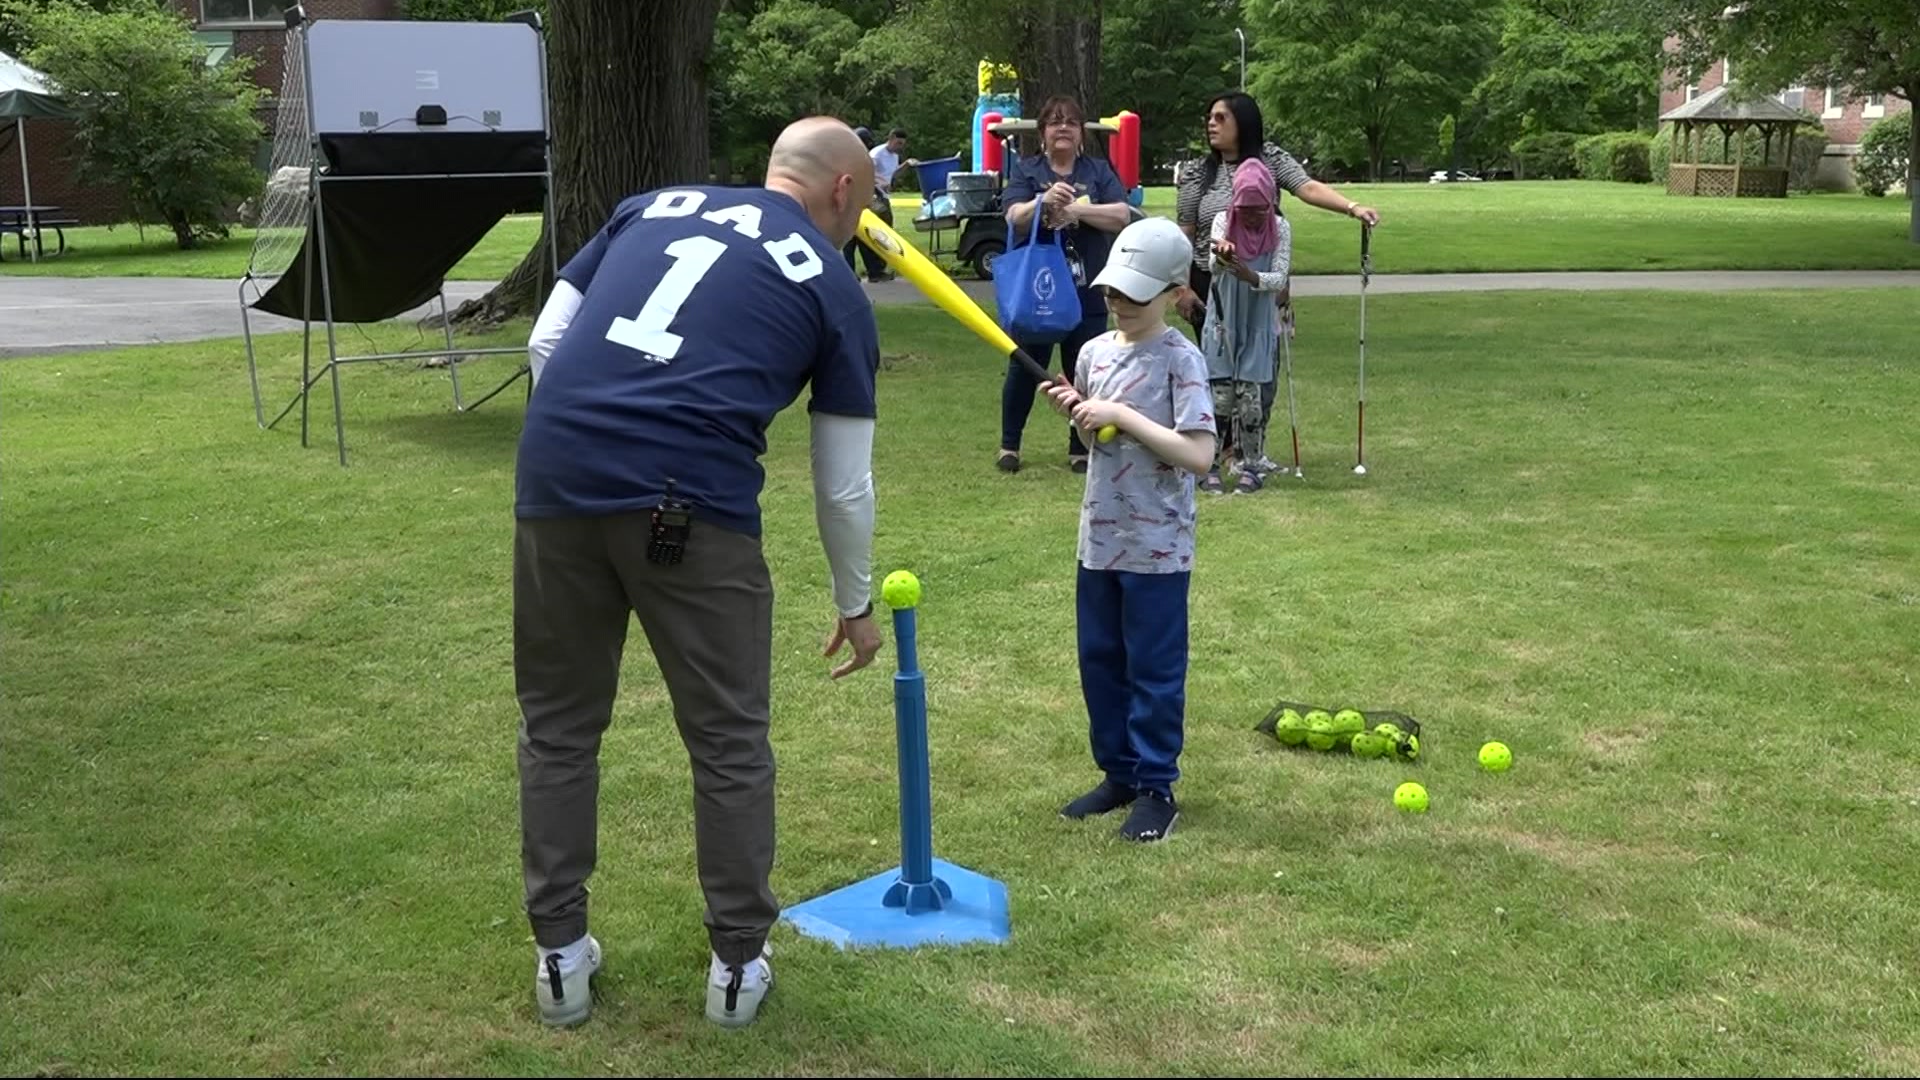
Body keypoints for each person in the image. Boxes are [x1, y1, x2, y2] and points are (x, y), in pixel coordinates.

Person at [512, 116, 886, 1030]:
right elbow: (843, 485)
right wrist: (857, 602)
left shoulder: (647, 209)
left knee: (558, 728)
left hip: (555, 478)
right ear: (843, 190)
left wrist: (596, 443)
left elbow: (545, 344)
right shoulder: (832, 282)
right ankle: (734, 967)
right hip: (691, 506)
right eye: (866, 205)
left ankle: (558, 957)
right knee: (726, 742)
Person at [1043, 216, 1217, 842]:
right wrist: (1082, 414)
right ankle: (1117, 773)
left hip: (1158, 548)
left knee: (1153, 667)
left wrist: (1119, 413)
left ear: (1173, 292)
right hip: (1101, 539)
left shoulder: (1181, 359)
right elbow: (1099, 443)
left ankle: (1155, 787)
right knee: (1102, 661)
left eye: (1134, 293)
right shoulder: (1092, 353)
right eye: (1114, 290)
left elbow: (1198, 455)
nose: (1118, 303)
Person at [997, 95, 1133, 474]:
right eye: (1055, 122)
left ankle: (1079, 448)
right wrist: (1042, 201)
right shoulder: (1027, 170)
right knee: (1025, 367)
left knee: (1084, 370)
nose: (1063, 128)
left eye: (1071, 122)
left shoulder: (1099, 170)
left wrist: (1076, 210)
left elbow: (1121, 214)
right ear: (1042, 132)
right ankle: (1009, 445)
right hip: (1037, 290)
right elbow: (1013, 216)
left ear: (1080, 134)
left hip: (1087, 287)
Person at [1173, 91, 1381, 337]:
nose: (1211, 124)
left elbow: (1307, 187)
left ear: (1244, 122)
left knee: (1260, 362)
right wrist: (1182, 289)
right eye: (1209, 118)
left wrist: (1352, 207)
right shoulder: (1197, 173)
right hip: (1211, 281)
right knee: (1217, 363)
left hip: (1263, 276)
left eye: (1220, 118)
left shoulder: (1270, 159)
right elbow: (1184, 235)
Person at [1198, 158, 1292, 495]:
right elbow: (1213, 266)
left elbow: (1280, 276)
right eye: (1246, 208)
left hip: (1257, 319)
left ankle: (1251, 465)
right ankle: (1207, 466)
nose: (1252, 216)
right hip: (1224, 319)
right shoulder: (1224, 221)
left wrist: (1251, 276)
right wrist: (1222, 259)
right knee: (1219, 397)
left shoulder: (1280, 228)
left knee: (1251, 397)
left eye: (1259, 209)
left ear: (1270, 202)